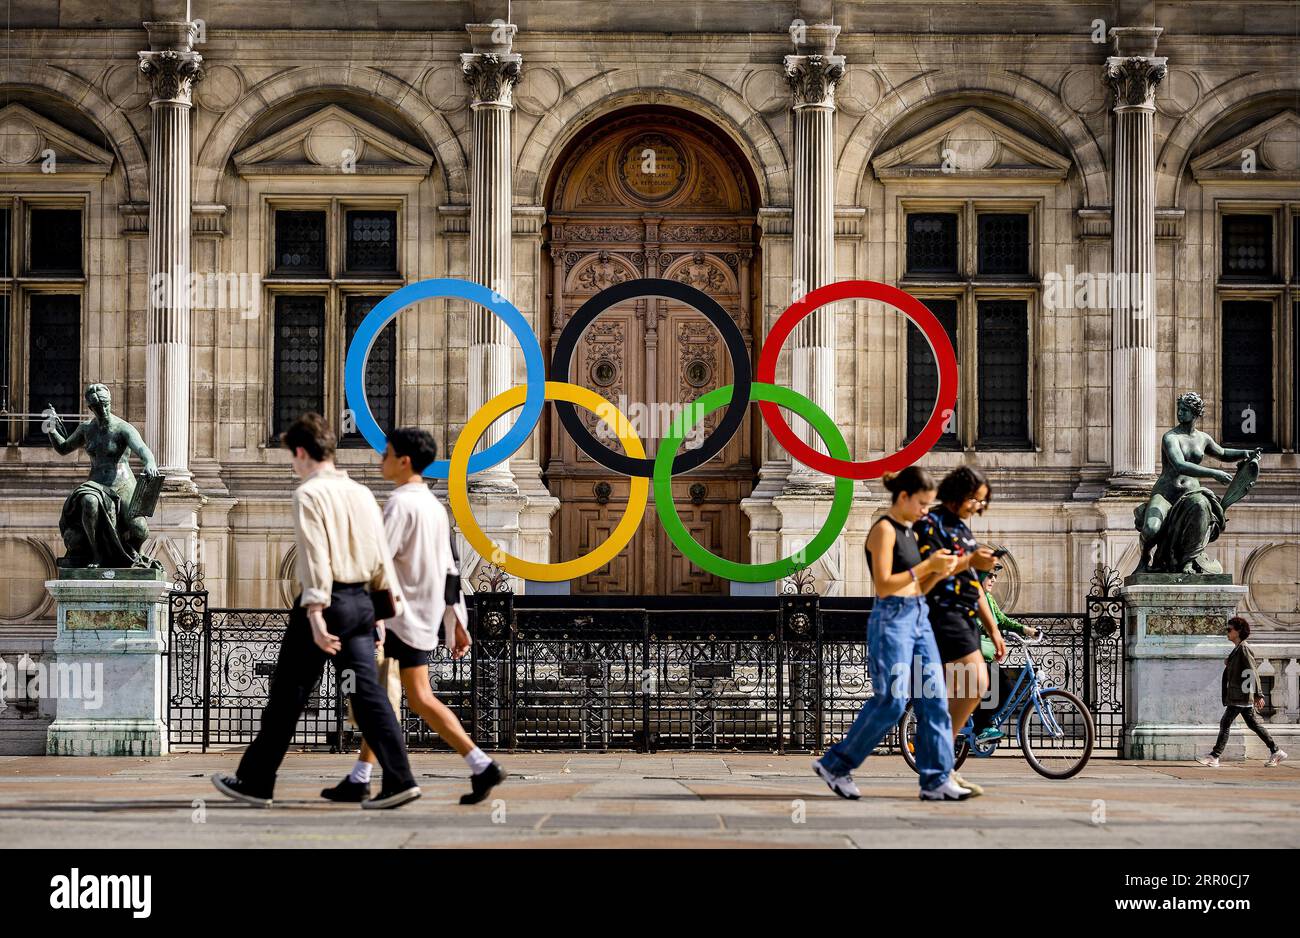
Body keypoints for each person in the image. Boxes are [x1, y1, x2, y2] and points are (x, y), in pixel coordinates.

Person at [211, 413, 421, 810]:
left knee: (287, 695)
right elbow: (380, 558)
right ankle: (400, 779)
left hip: (327, 604)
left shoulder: (308, 494)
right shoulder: (361, 493)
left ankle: (256, 781)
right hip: (362, 603)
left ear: (302, 452)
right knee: (368, 695)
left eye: (293, 455)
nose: (293, 463)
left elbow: (315, 558)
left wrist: (316, 615)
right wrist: (378, 615)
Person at [321, 427, 508, 805]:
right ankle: (362, 776)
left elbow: (378, 562)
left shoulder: (400, 505)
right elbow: (450, 570)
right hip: (422, 615)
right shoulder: (434, 507)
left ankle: (477, 763)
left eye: (386, 453)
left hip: (397, 620)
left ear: (404, 461)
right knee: (391, 697)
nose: (380, 460)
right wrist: (456, 622)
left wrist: (369, 617)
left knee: (398, 698)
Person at [813, 466, 969, 801]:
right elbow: (885, 585)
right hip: (892, 620)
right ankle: (836, 764)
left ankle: (936, 779)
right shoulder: (883, 530)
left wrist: (941, 572)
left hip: (918, 617)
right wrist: (928, 566)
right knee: (893, 701)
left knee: (935, 699)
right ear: (903, 497)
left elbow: (918, 585)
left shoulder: (911, 533)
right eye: (922, 504)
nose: (926, 511)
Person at [915, 465, 1005, 797]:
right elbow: (934, 570)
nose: (979, 508)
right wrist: (970, 562)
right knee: (974, 683)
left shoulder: (962, 529)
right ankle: (938, 769)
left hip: (964, 616)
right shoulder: (930, 525)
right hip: (941, 612)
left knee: (965, 691)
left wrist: (993, 629)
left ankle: (940, 768)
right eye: (975, 501)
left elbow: (975, 586)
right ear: (959, 495)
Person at [1196, 616, 1287, 767]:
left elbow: (1252, 671)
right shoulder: (1238, 649)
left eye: (1229, 629)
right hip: (1240, 695)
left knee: (1225, 723)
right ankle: (1275, 750)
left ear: (1238, 631)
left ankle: (1214, 756)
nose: (1227, 632)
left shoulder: (1244, 648)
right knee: (1253, 725)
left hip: (1241, 696)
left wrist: (1259, 694)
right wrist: (1230, 662)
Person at [969, 563, 1037, 743]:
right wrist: (987, 628)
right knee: (992, 685)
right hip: (974, 653)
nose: (993, 579)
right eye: (990, 575)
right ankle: (981, 727)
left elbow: (1002, 620)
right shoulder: (971, 596)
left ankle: (985, 723)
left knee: (1006, 687)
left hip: (987, 654)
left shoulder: (988, 599)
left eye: (995, 576)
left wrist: (1026, 630)